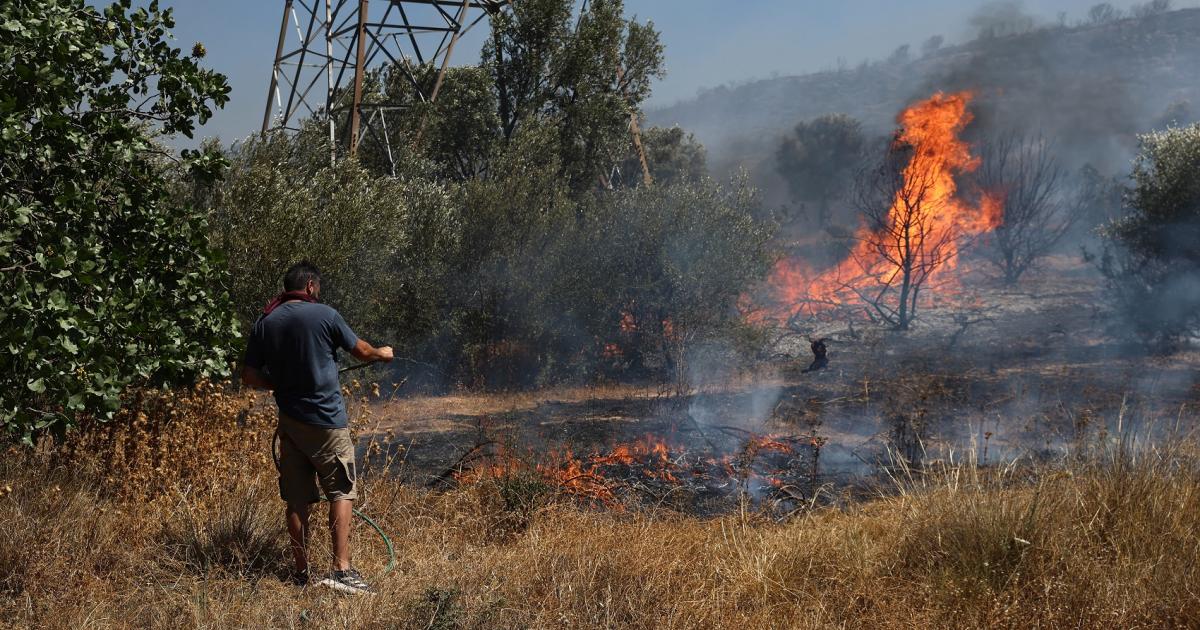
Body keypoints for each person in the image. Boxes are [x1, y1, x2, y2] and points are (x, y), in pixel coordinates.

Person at [241, 261, 393, 595]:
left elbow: (250, 377)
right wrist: (382, 353)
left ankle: (300, 573)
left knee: (297, 500)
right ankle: (342, 571)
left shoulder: (265, 322)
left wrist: (281, 384)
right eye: (318, 288)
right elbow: (362, 350)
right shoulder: (325, 314)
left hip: (290, 425)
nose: (319, 292)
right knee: (341, 490)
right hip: (326, 423)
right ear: (310, 286)